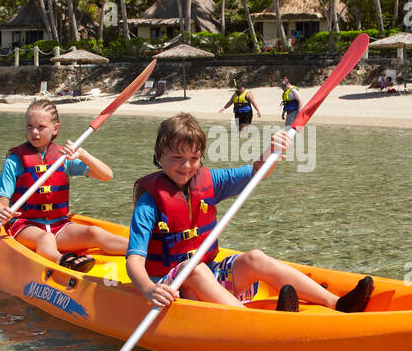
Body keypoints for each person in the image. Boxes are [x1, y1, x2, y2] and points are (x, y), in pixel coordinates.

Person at [126, 113, 373, 314]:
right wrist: (149, 289)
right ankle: (250, 321)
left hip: (208, 275)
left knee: (255, 258)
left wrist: (272, 151)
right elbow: (133, 261)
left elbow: (257, 172)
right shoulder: (149, 203)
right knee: (194, 269)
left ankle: (335, 303)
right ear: (159, 154)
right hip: (170, 287)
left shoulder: (209, 180)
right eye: (176, 158)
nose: (187, 166)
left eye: (194, 158)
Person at [0, 99, 127, 271]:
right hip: (26, 226)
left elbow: (107, 175)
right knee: (46, 239)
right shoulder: (14, 161)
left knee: (94, 233)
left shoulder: (63, 158)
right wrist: (1, 212)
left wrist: (82, 155)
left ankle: (143, 251)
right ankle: (64, 261)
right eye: (29, 126)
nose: (34, 132)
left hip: (60, 225)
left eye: (41, 127)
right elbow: (1, 203)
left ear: (55, 128)